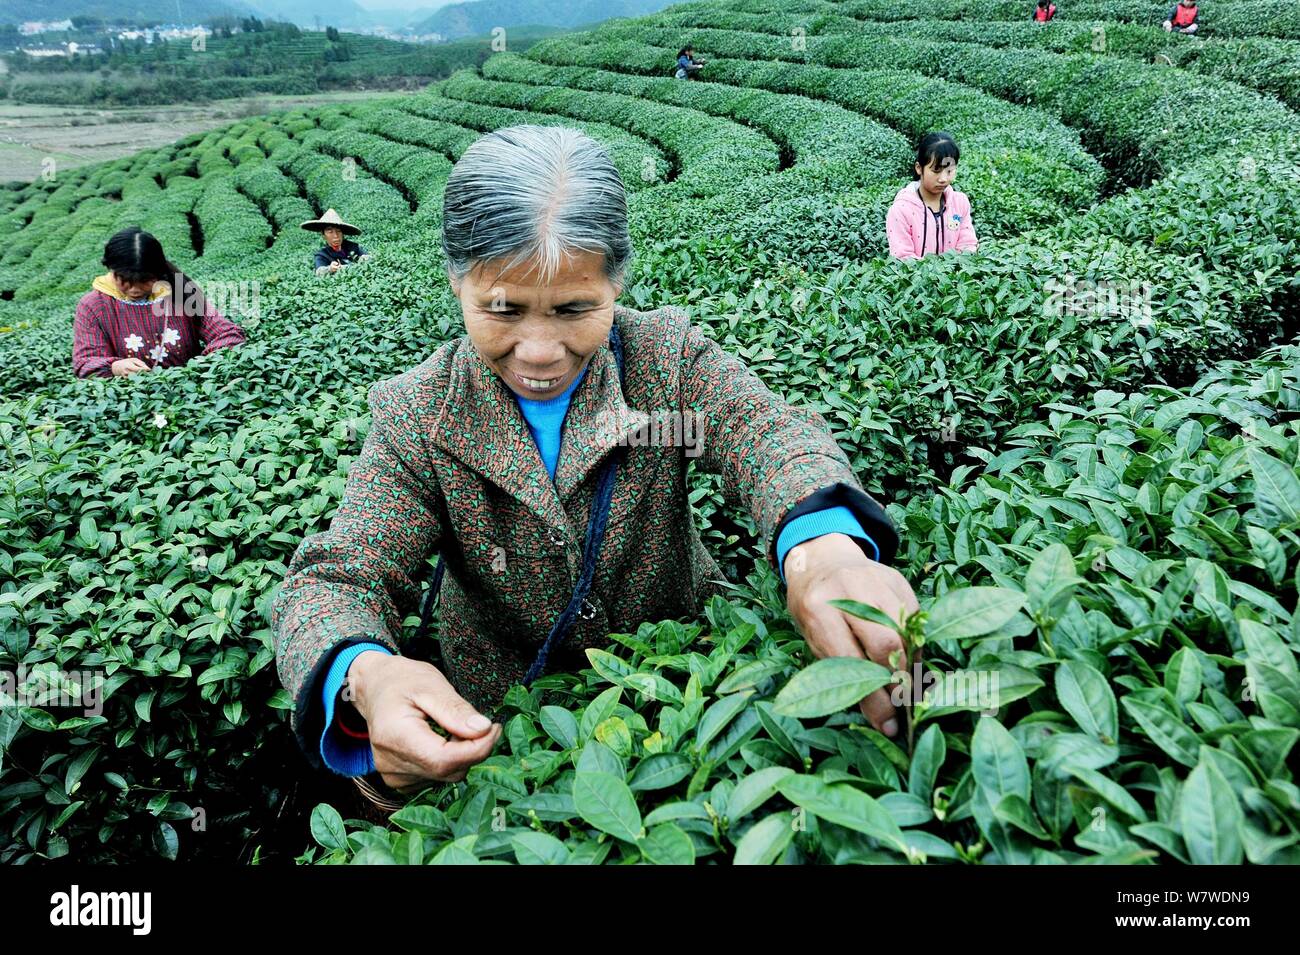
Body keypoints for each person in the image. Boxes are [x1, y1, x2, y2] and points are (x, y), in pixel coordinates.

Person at [270, 125, 919, 795]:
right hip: (510, 744)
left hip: (690, 702)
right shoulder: (418, 415)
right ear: (456, 281)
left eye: (576, 307)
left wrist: (824, 551)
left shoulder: (662, 359)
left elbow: (763, 430)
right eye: (503, 309)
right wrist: (367, 673)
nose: (541, 349)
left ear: (617, 279)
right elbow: (337, 578)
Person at [72, 227, 245, 378]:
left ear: (158, 272)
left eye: (145, 280)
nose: (134, 289)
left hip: (191, 394)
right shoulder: (94, 305)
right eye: (125, 280)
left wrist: (201, 367)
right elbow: (85, 364)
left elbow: (227, 334)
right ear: (111, 271)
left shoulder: (179, 291)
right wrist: (115, 367)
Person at [885, 131, 979, 261]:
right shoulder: (901, 210)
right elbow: (902, 257)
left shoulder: (960, 203)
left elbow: (967, 243)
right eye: (936, 170)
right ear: (919, 168)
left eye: (949, 171)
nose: (943, 179)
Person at [303, 208, 371, 276]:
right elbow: (319, 271)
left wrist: (364, 259)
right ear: (323, 235)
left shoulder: (352, 246)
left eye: (338, 231)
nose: (335, 236)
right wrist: (330, 269)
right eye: (330, 232)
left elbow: (367, 256)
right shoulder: (322, 255)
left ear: (342, 233)